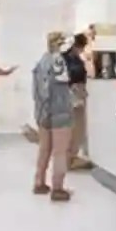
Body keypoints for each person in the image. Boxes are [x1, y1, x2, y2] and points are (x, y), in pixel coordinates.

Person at [31, 31, 74, 201]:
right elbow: (62, 83)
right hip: (60, 111)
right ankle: (58, 187)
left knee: (44, 149)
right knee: (60, 151)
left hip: (42, 111)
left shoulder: (42, 61)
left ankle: (39, 182)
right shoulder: (58, 61)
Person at [65, 32, 91, 169]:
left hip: (75, 93)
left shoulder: (70, 58)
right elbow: (73, 76)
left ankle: (70, 157)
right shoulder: (72, 59)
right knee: (76, 127)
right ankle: (69, 159)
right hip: (74, 94)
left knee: (76, 128)